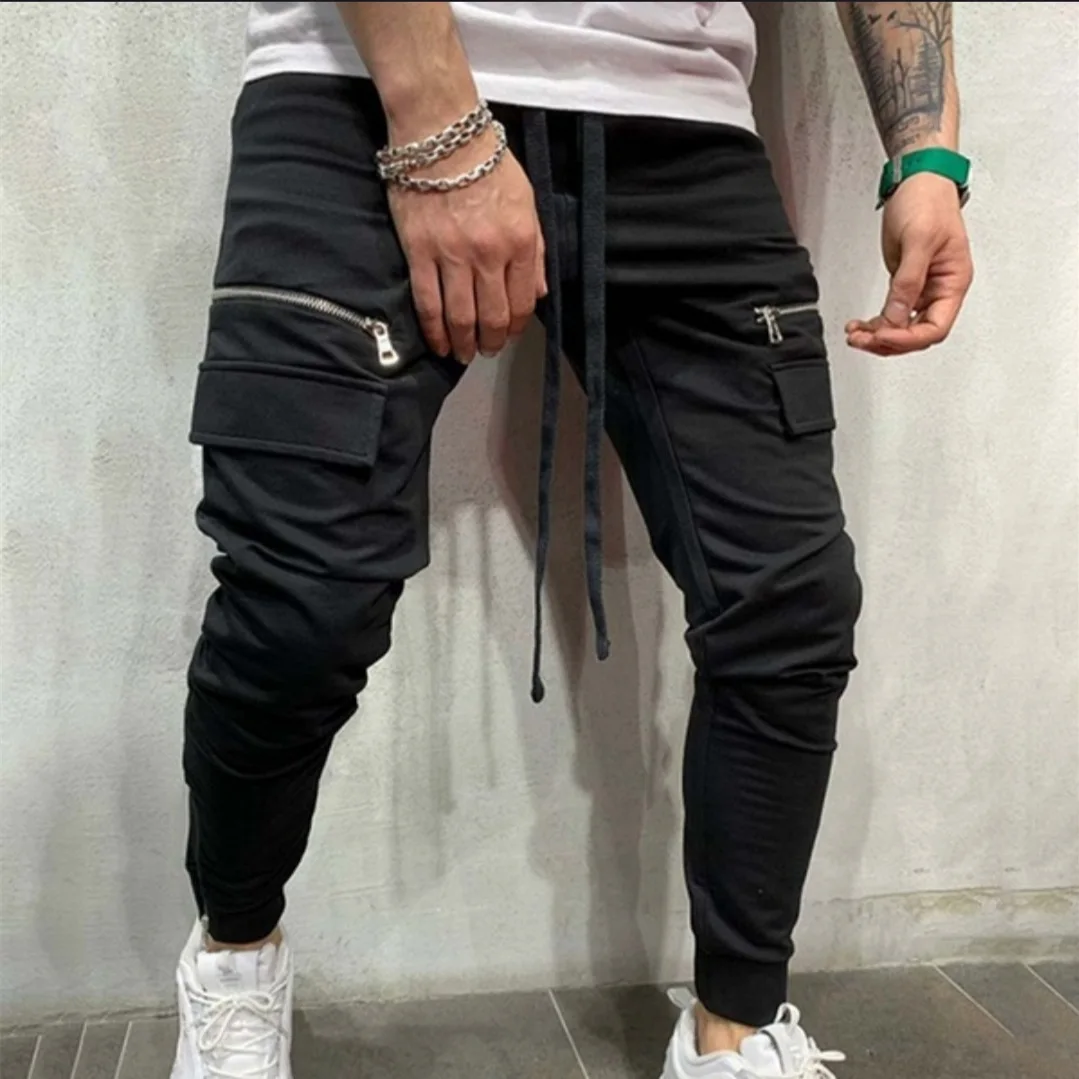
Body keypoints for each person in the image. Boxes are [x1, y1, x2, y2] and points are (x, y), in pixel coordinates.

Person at [172, 3, 973, 1077]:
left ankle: (735, 1030)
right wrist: (438, 126)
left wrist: (925, 153)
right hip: (358, 85)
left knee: (788, 599)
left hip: (681, 111)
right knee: (297, 604)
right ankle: (234, 961)